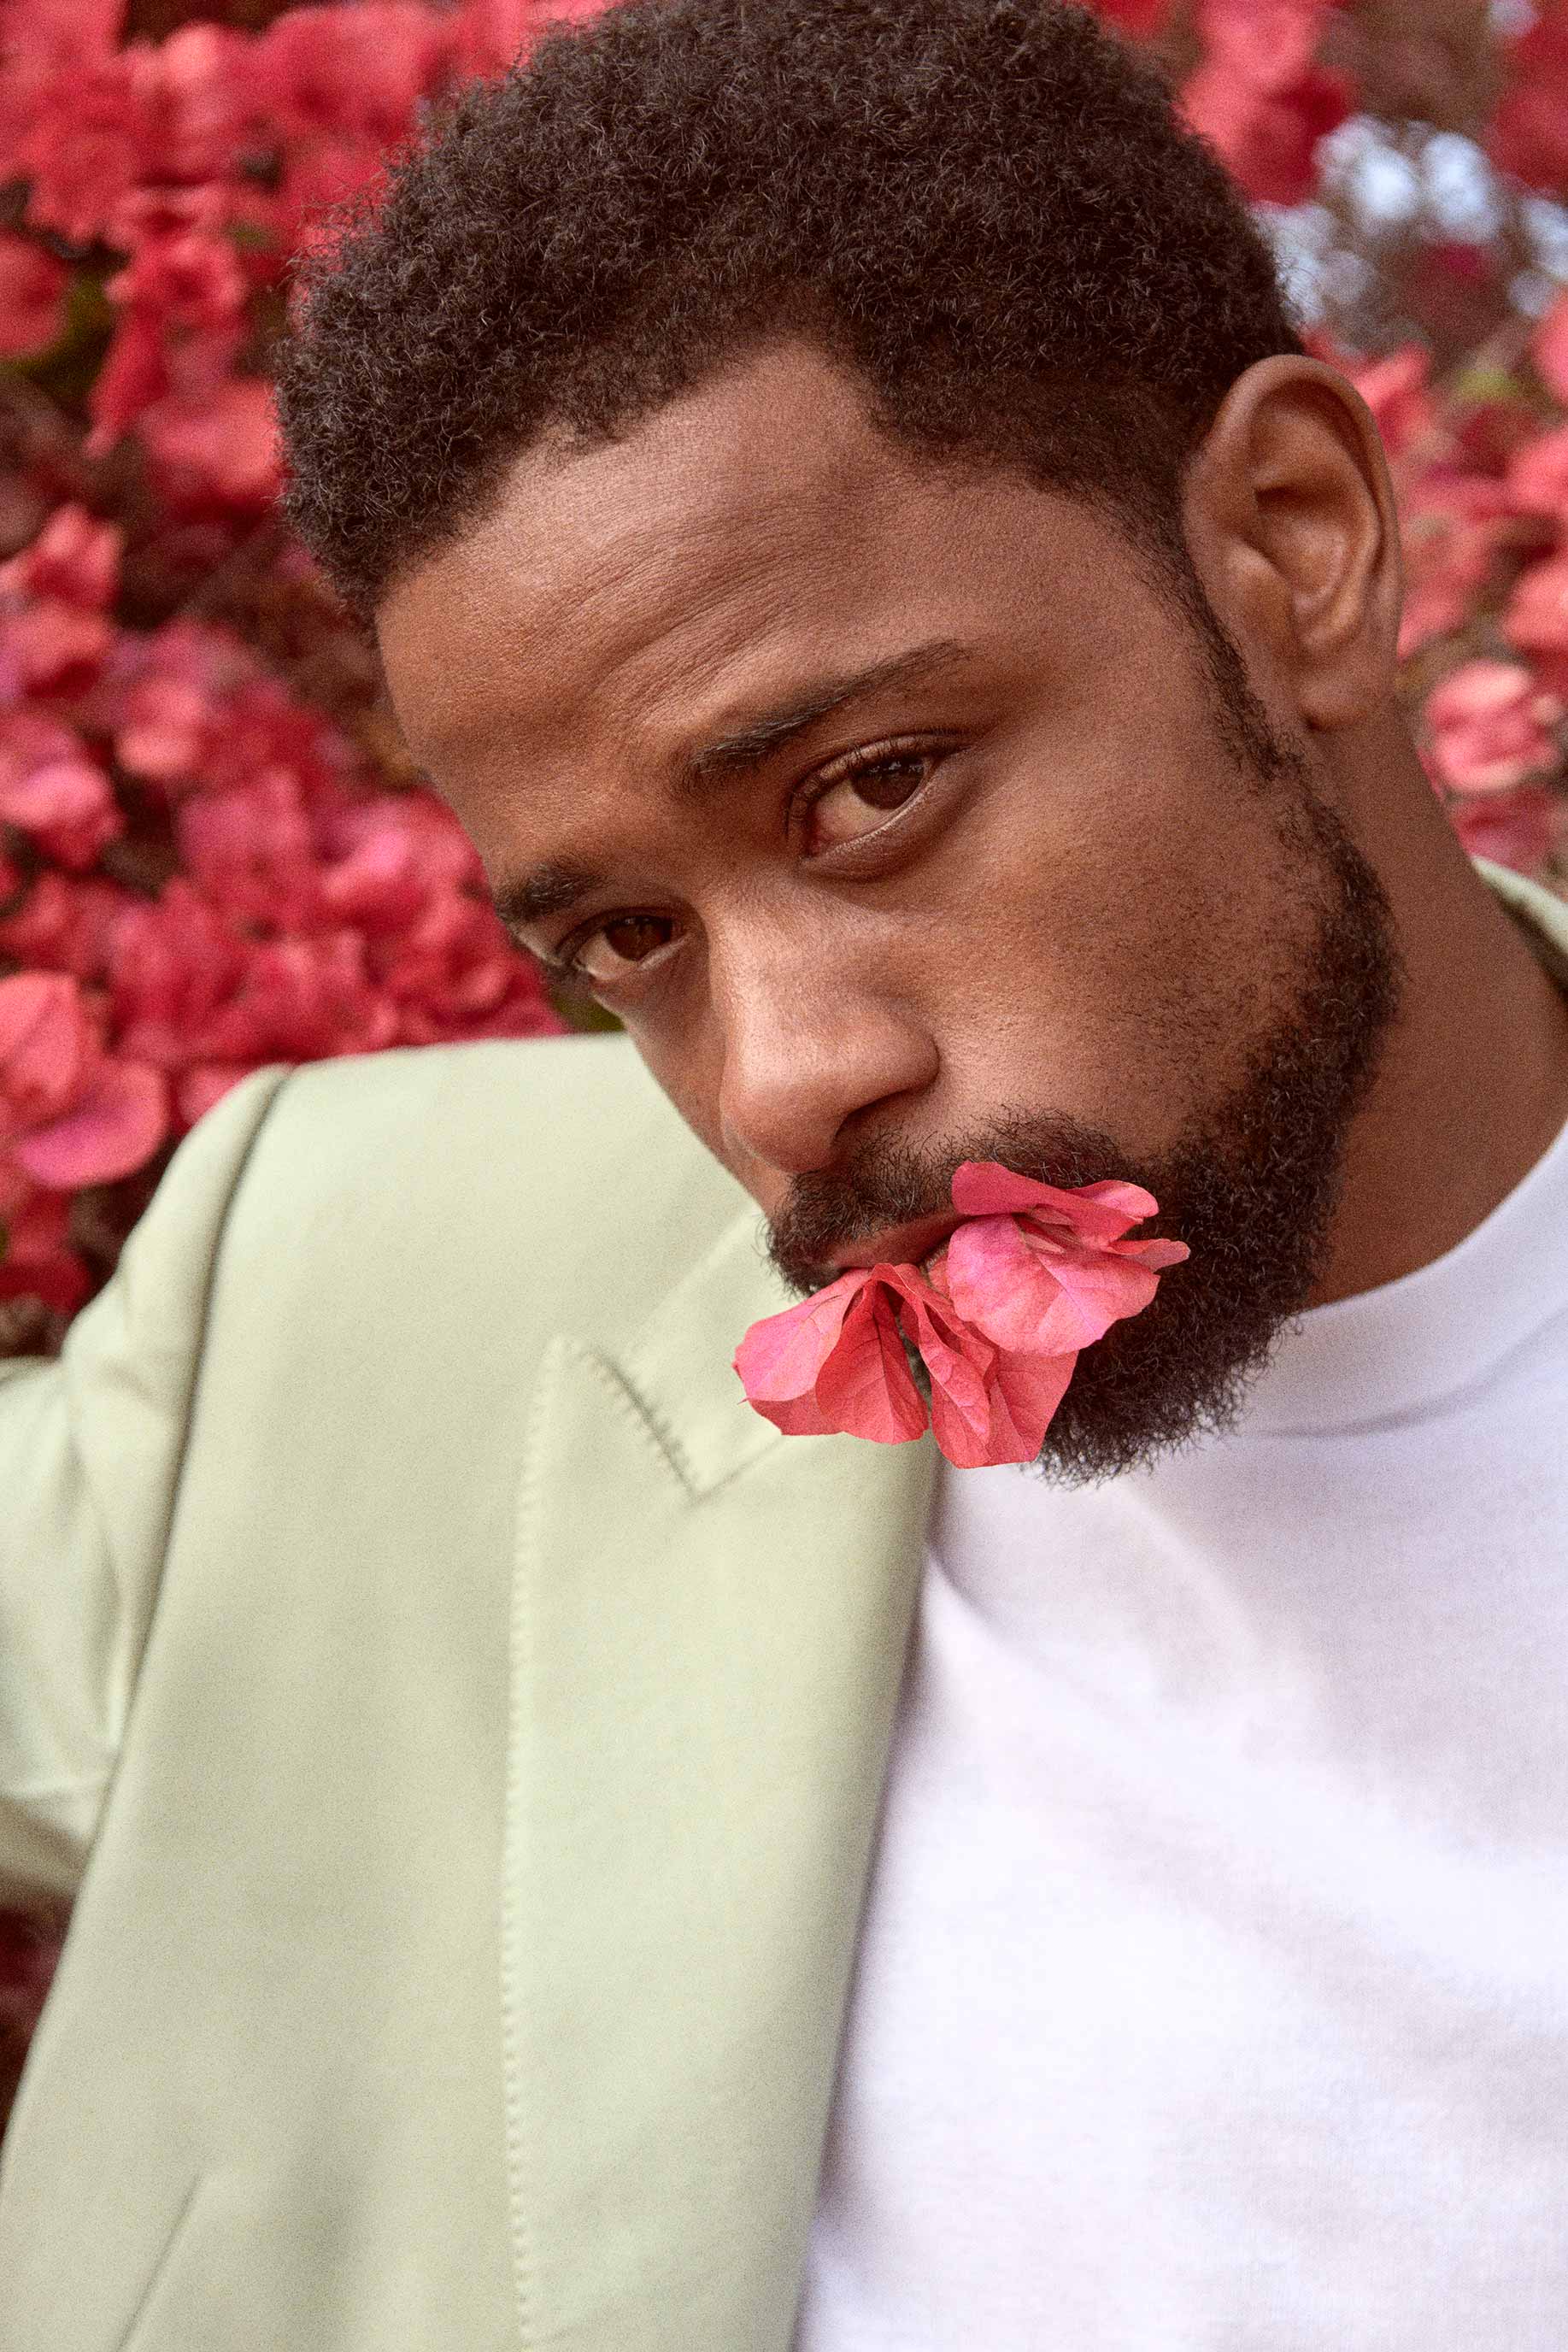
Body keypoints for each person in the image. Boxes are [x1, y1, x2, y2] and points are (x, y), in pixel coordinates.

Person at [4, 0, 1568, 2343]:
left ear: (1291, 543)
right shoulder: (348, 1296)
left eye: (869, 788)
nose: (776, 1085)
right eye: (626, 940)